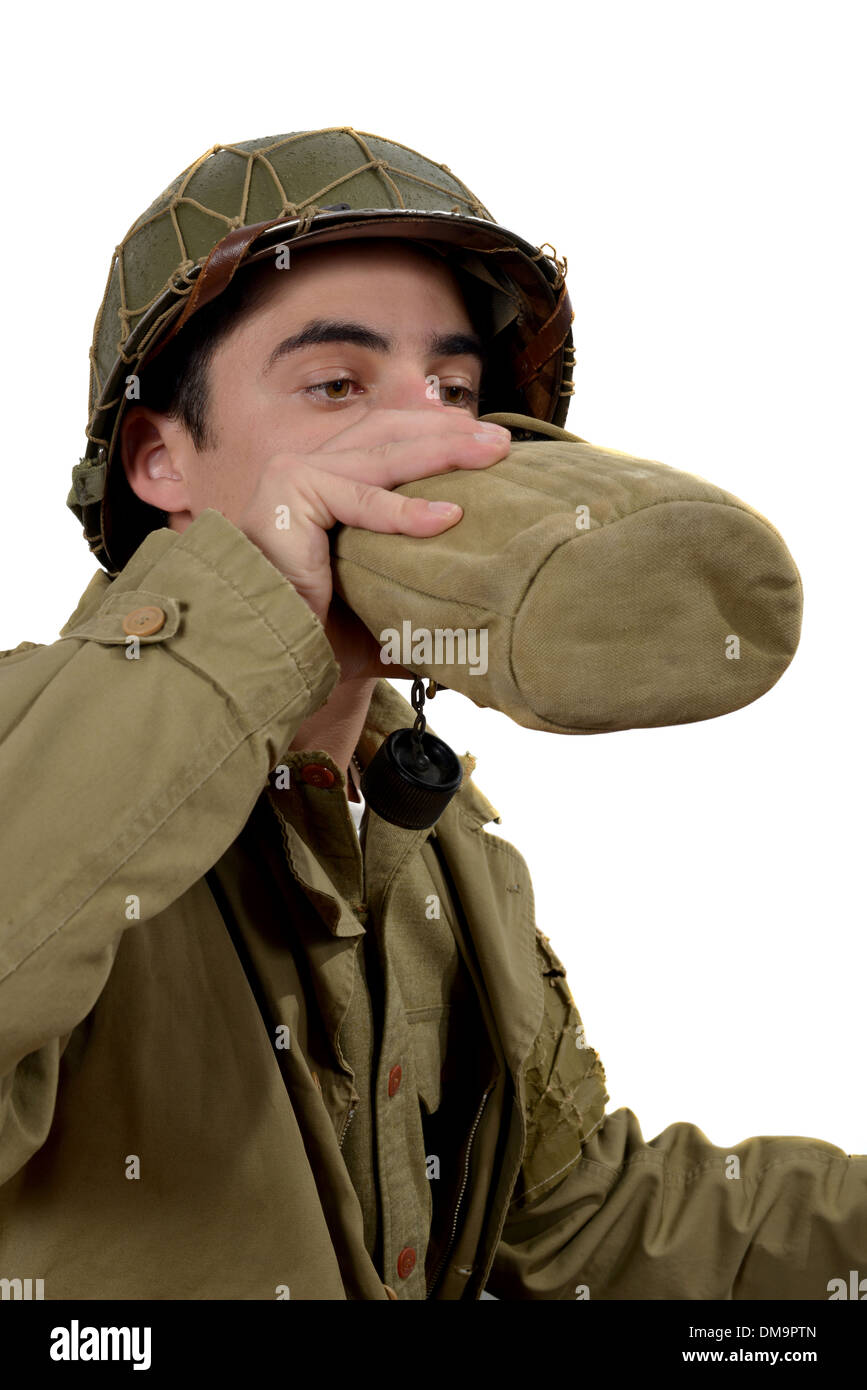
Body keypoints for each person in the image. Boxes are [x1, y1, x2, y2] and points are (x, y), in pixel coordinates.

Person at [0, 128, 864, 1302]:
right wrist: (242, 618)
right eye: (337, 386)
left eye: (454, 391)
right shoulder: (31, 741)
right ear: (159, 459)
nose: (423, 438)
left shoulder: (428, 838)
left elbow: (577, 1225)